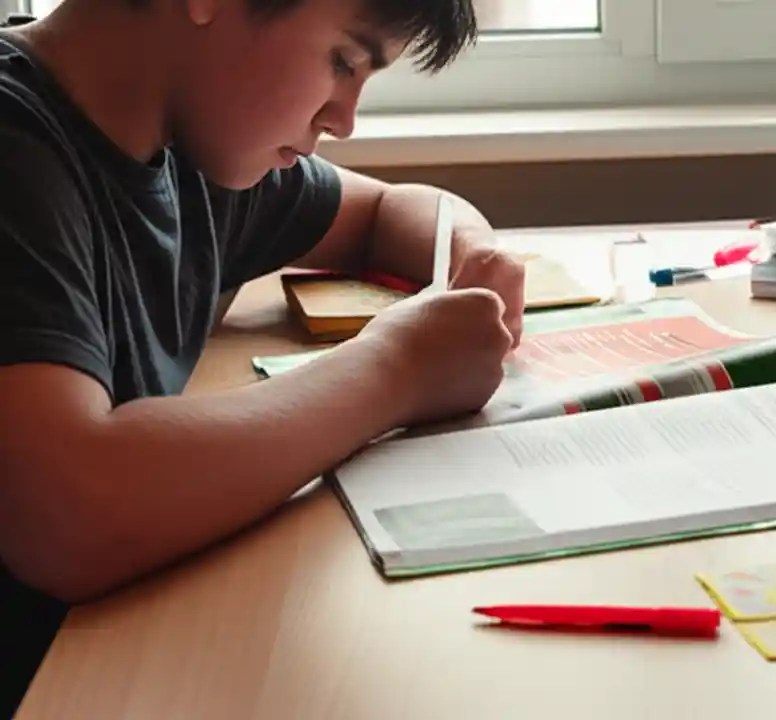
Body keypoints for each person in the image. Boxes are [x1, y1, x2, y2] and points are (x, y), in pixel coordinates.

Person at [0, 0, 524, 714]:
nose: (344, 119)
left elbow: (388, 211)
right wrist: (395, 370)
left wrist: (473, 252)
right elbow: (65, 516)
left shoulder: (185, 151)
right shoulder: (16, 149)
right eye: (343, 61)